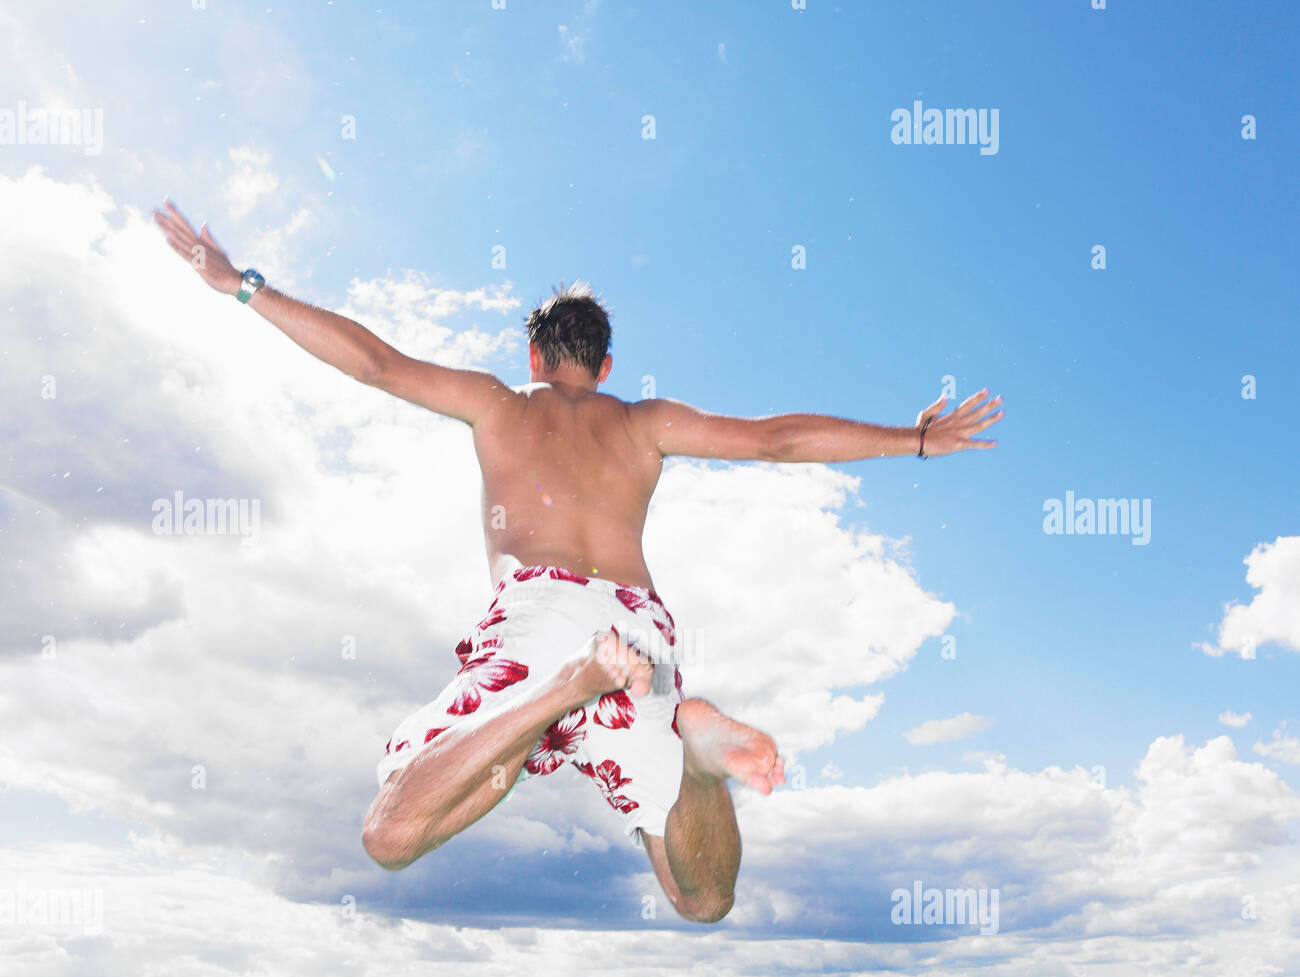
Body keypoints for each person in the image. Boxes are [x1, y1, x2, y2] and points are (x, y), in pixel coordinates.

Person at [154, 200, 1002, 921]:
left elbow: (375, 365)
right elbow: (777, 442)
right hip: (641, 633)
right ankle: (695, 751)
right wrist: (915, 441)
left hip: (546, 625)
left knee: (392, 833)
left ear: (535, 358)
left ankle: (561, 695)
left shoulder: (496, 405)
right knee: (701, 899)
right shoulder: (644, 422)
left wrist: (241, 285)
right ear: (604, 367)